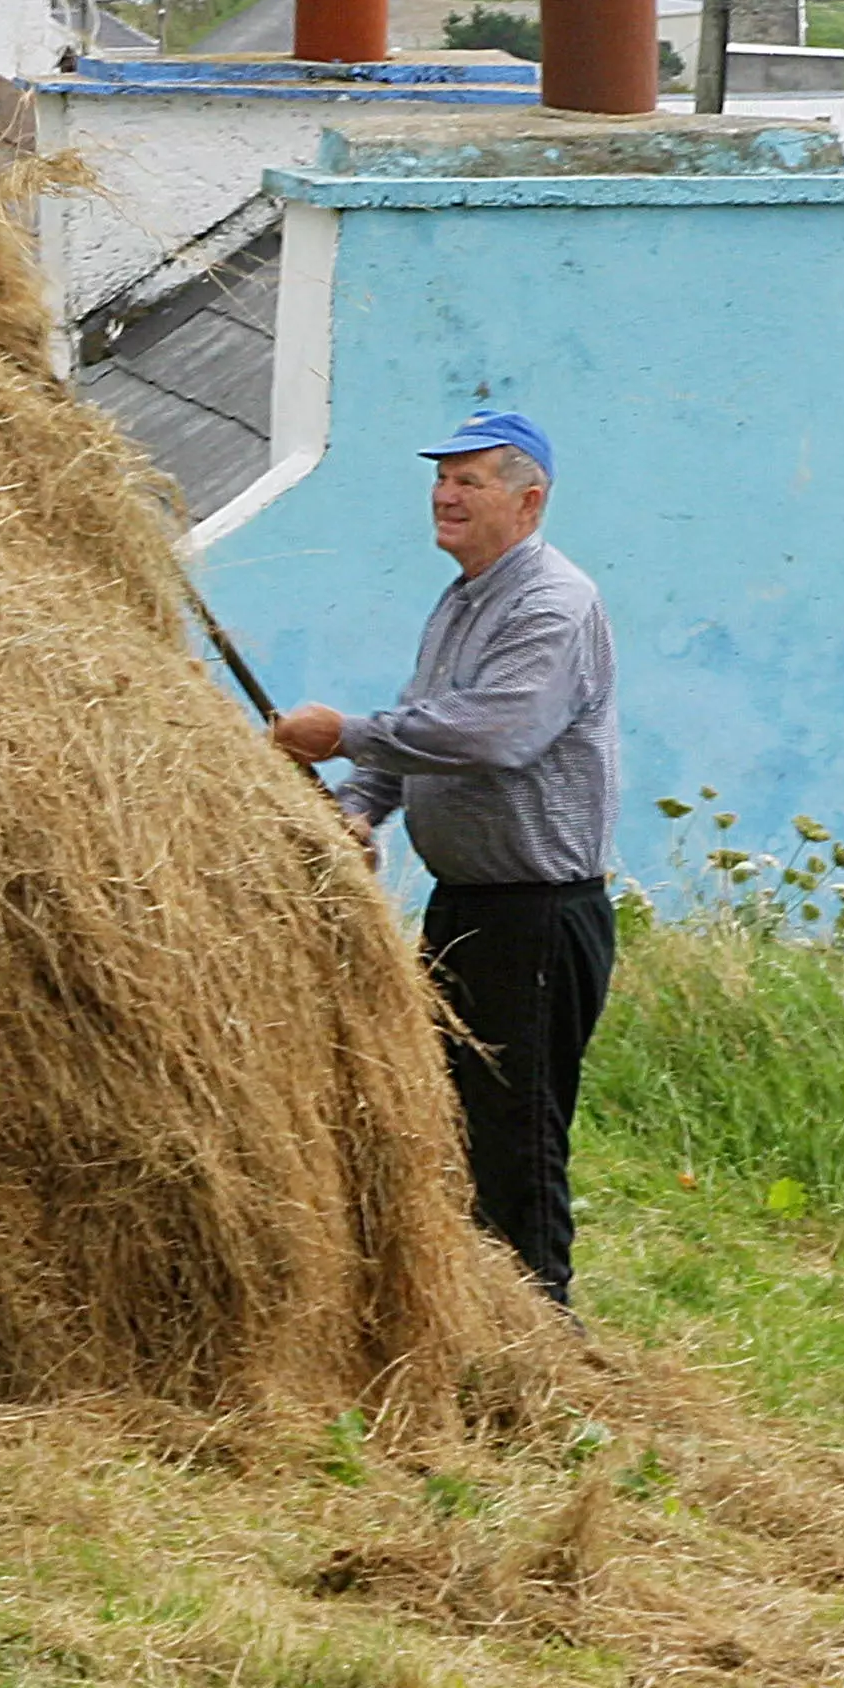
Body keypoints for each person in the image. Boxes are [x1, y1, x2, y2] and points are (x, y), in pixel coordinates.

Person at [268, 409, 617, 1311]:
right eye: (441, 477)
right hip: (468, 906)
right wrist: (357, 806)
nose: (444, 494)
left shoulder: (552, 603)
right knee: (448, 1115)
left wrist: (340, 736)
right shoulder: (465, 596)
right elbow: (418, 724)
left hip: (536, 914)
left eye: (468, 480)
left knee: (515, 1129)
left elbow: (493, 733)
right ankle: (465, 1312)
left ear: (527, 501)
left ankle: (541, 1334)